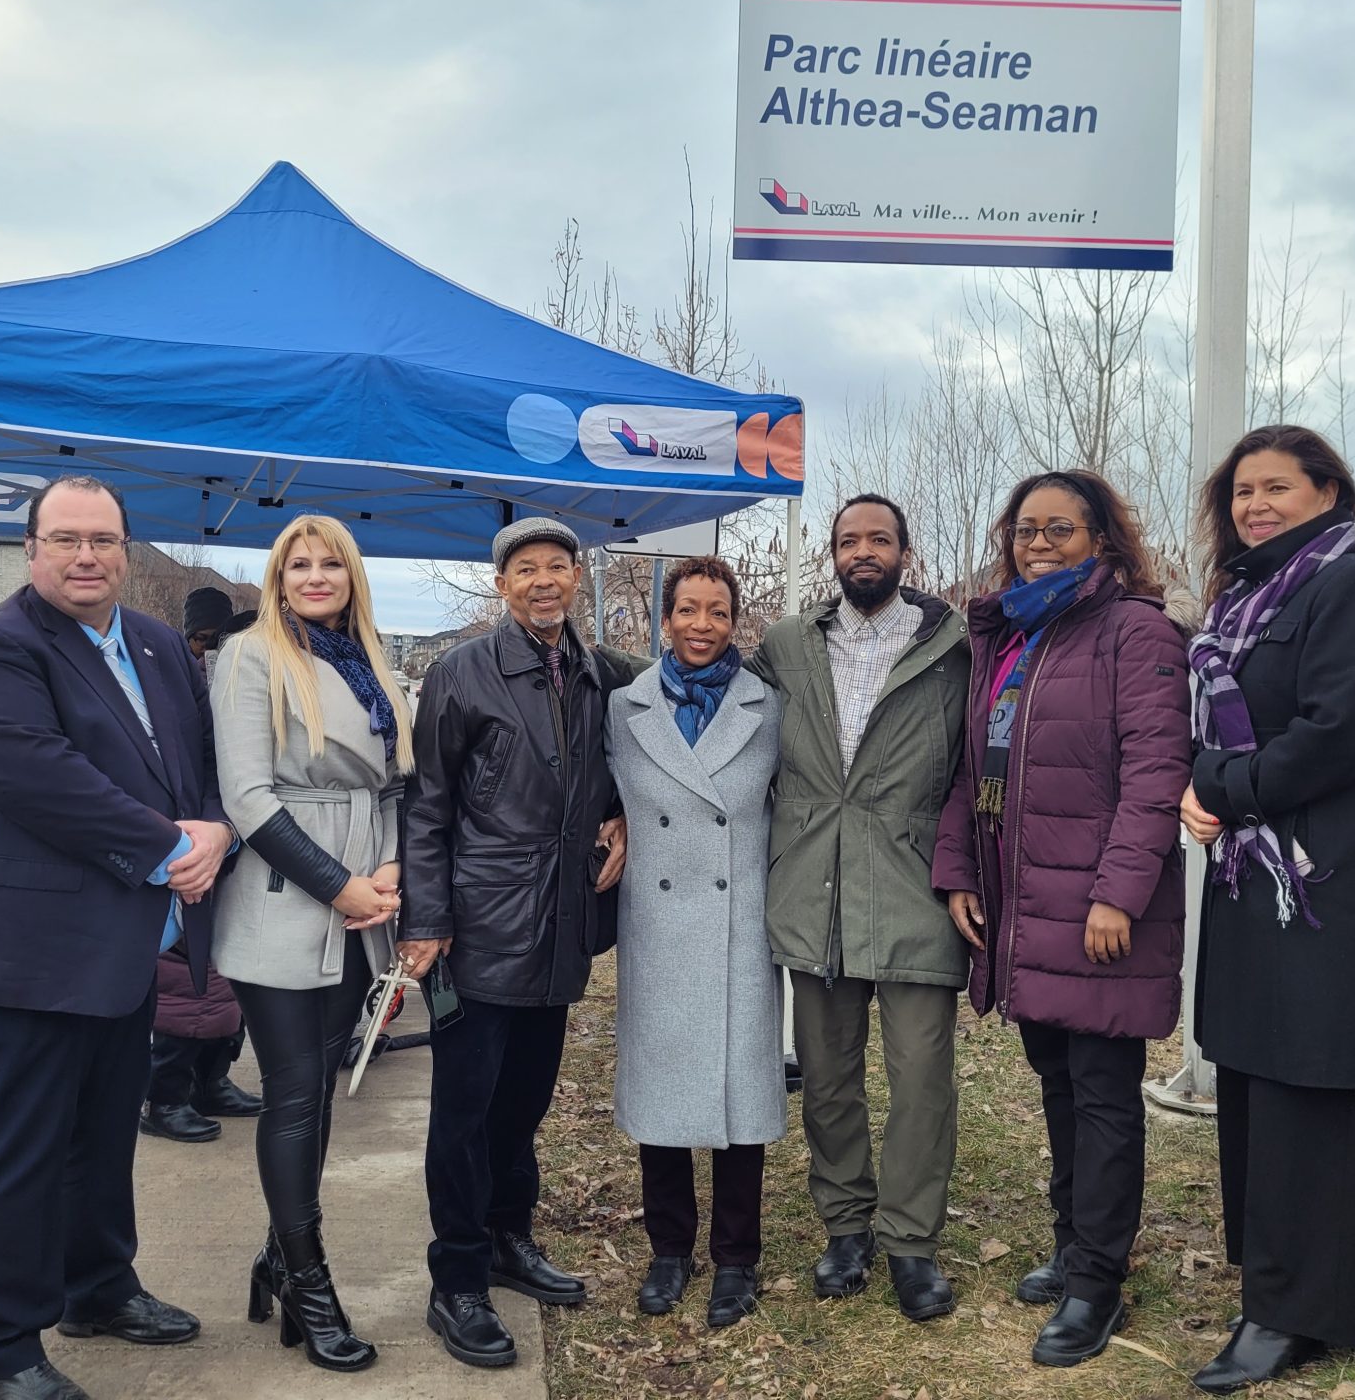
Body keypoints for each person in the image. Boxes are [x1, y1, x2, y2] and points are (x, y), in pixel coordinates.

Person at [0, 476, 230, 1400]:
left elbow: (199, 761)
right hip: (21, 953)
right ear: (31, 550)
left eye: (102, 539)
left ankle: (99, 1288)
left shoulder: (160, 645)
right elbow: (37, 775)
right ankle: (4, 1349)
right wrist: (172, 845)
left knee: (102, 1137)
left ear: (127, 550)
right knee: (21, 1152)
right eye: (66, 539)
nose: (86, 556)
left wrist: (213, 824)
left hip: (124, 946)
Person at [1177, 425, 1355, 1394]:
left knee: (1310, 1091)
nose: (1253, 506)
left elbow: (1335, 736)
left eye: (1275, 487)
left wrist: (1223, 788)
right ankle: (1271, 1286)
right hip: (1256, 887)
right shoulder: (1237, 601)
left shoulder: (1350, 590)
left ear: (1326, 492)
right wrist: (1207, 782)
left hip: (1327, 889)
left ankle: (1295, 1313)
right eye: (1241, 492)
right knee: (1255, 1082)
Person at [931, 470, 1190, 1367]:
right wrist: (960, 872)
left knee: (1106, 1097)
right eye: (1026, 529)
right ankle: (1074, 1247)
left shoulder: (1135, 631)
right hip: (1020, 904)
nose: (1038, 543)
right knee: (1058, 1086)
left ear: (1102, 540)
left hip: (1096, 911)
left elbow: (1158, 772)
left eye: (1061, 530)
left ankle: (1099, 1285)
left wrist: (1119, 891)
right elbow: (975, 769)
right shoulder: (1010, 635)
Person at [397, 517, 634, 1369]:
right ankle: (455, 1278)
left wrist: (624, 814)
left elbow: (629, 758)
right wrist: (425, 920)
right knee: (463, 1112)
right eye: (525, 569)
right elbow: (425, 805)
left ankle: (508, 1240)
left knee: (524, 1102)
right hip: (479, 925)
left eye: (557, 567)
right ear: (501, 586)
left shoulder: (599, 674)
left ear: (578, 576)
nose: (543, 580)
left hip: (561, 926)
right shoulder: (463, 673)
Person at [747, 494, 971, 1323]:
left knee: (921, 1079)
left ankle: (911, 1241)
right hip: (815, 890)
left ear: (905, 552)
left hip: (914, 888)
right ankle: (846, 1228)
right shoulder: (787, 645)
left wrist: (965, 871)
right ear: (832, 556)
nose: (862, 551)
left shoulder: (953, 647)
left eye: (879, 538)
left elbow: (973, 771)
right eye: (849, 540)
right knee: (829, 1077)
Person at [209, 515, 411, 1373]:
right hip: (287, 902)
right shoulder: (250, 656)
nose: (317, 575)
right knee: (294, 1095)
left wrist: (394, 866)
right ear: (278, 577)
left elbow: (396, 781)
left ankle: (275, 1258)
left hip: (366, 901)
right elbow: (248, 798)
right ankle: (310, 1282)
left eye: (333, 562)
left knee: (321, 1097)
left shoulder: (370, 663)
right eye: (301, 564)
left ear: (353, 575)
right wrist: (339, 883)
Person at [606, 556, 784, 1330]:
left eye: (717, 611)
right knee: (663, 1089)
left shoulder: (769, 707)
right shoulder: (622, 707)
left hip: (740, 923)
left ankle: (737, 1258)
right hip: (657, 918)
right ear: (665, 618)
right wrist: (605, 824)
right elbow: (595, 790)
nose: (702, 626)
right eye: (688, 610)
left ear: (734, 618)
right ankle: (670, 1248)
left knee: (740, 1097)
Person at [139, 586, 263, 1145]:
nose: (208, 649)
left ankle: (214, 1079)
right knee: (180, 983)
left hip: (238, 839)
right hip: (185, 842)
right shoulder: (164, 681)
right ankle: (165, 1097)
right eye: (201, 639)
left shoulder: (247, 678)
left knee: (226, 981)